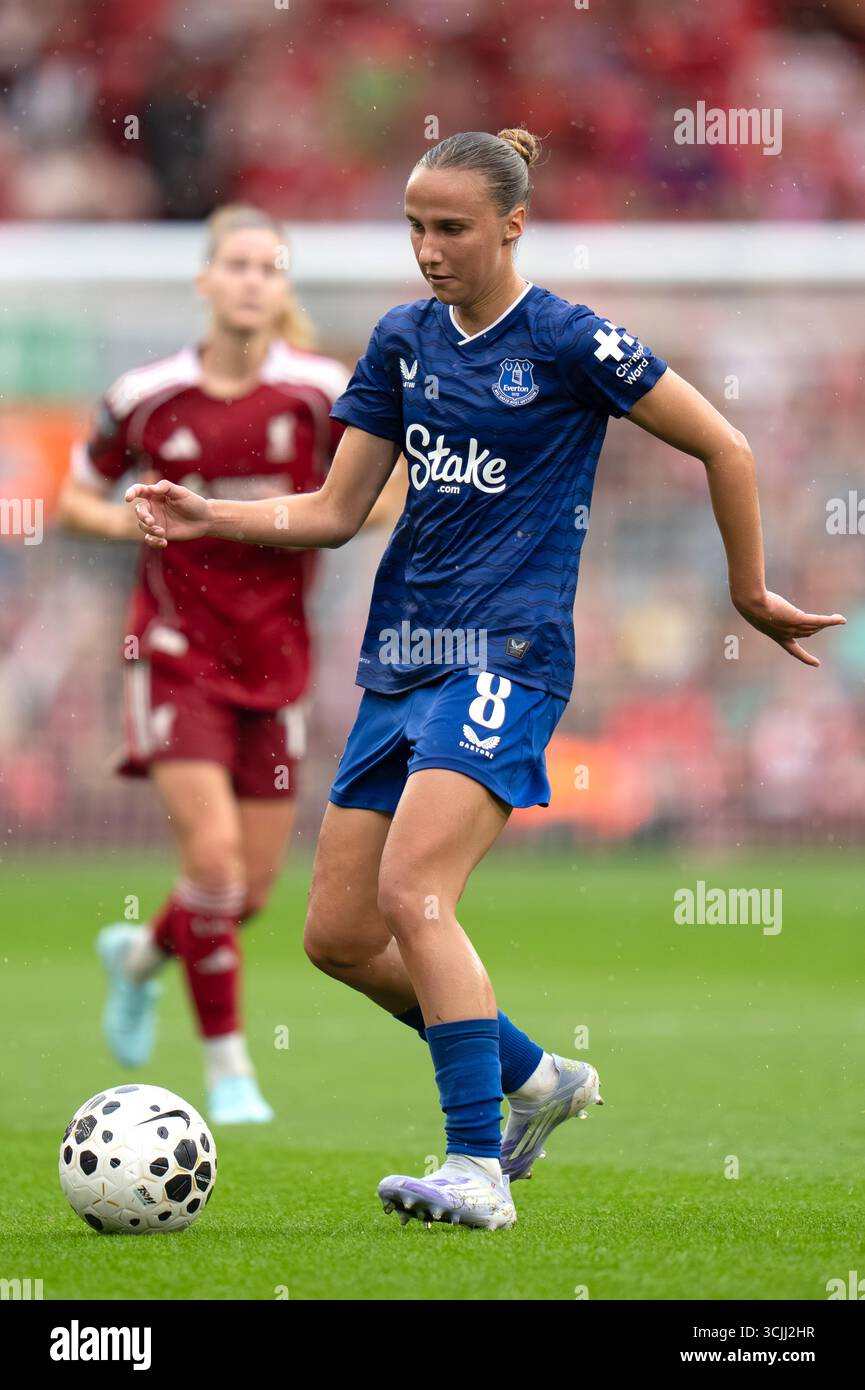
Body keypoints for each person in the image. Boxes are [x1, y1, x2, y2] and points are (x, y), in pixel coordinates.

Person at [126, 130, 845, 1226]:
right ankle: (536, 1078)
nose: (427, 248)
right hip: (400, 662)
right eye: (414, 226)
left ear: (512, 226)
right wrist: (209, 512)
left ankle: (473, 1167)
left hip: (507, 656)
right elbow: (329, 514)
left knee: (416, 893)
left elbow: (727, 447)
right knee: (339, 938)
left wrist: (748, 589)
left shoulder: (568, 339)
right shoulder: (403, 342)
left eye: (451, 228)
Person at [60, 204, 403, 1125]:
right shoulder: (146, 396)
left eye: (269, 267)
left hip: (277, 661)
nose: (253, 280)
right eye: (238, 265)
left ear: (282, 287)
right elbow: (75, 496)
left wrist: (322, 517)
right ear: (206, 280)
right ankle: (229, 1073)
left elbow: (386, 488)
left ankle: (139, 958)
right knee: (208, 859)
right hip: (173, 653)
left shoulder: (322, 392)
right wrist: (132, 516)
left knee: (245, 890)